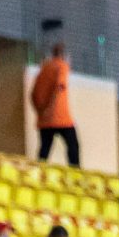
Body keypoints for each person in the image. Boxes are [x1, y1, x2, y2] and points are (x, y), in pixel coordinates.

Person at [31, 39, 78, 167]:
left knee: (44, 150)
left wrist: (41, 110)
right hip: (61, 117)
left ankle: (38, 172)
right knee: (73, 146)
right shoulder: (62, 66)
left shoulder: (44, 68)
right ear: (63, 55)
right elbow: (60, 85)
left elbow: (33, 94)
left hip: (44, 119)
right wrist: (52, 107)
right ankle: (76, 174)